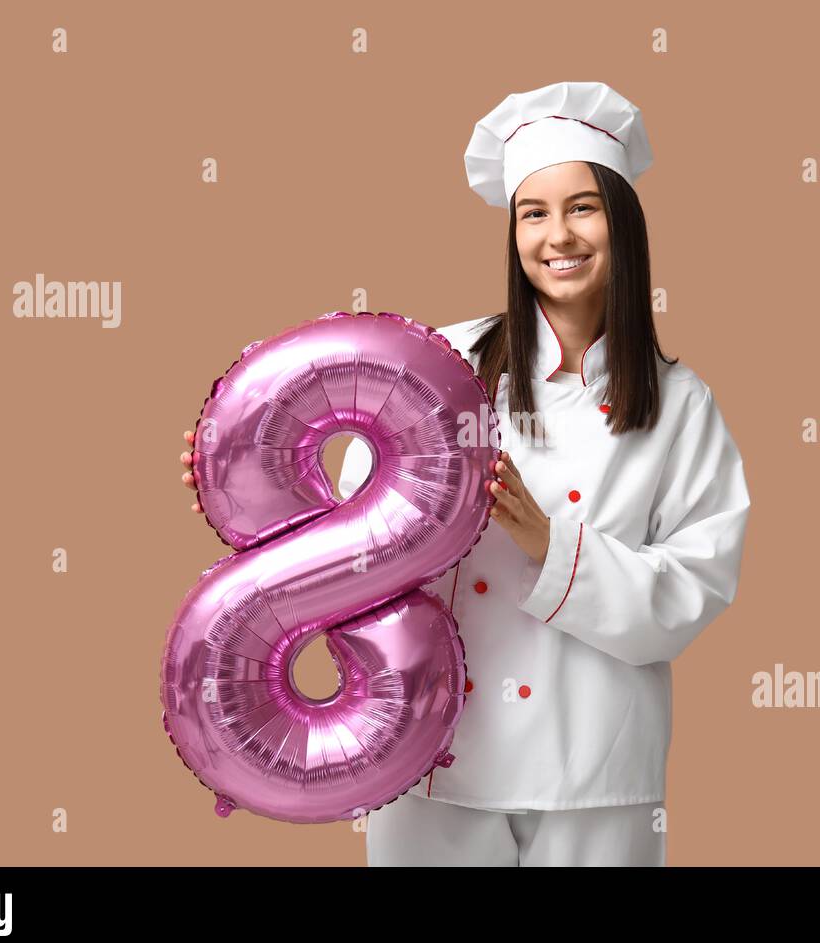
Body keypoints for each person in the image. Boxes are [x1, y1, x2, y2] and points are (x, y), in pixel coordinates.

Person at [178, 81, 750, 866]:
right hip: (431, 763)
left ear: (623, 225)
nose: (559, 236)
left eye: (583, 208)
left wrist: (554, 547)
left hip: (595, 774)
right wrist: (242, 474)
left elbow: (695, 588)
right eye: (534, 213)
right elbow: (344, 543)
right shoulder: (434, 367)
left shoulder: (680, 403)